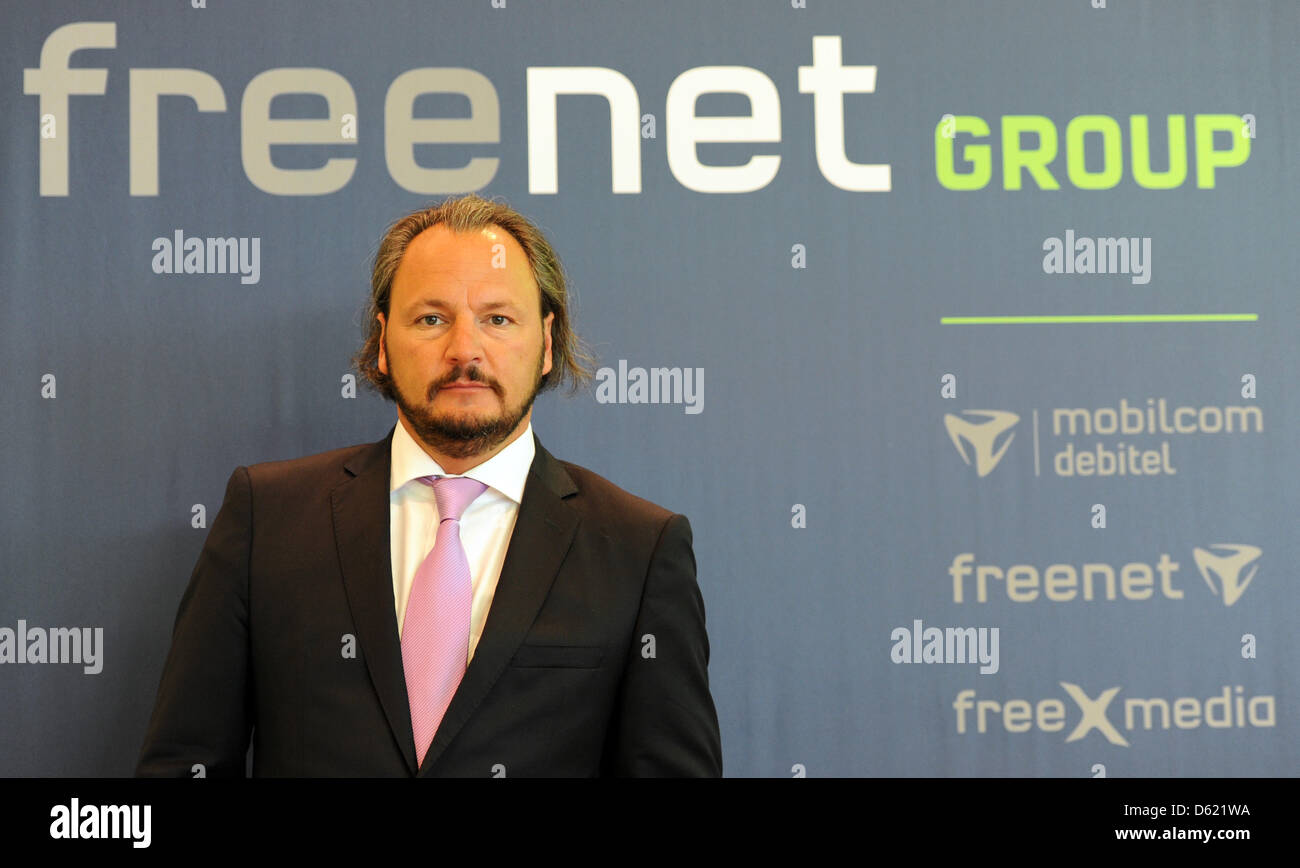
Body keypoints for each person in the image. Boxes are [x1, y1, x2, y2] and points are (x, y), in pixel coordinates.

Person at [135, 195, 722, 777]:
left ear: (546, 342)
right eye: (431, 319)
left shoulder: (639, 548)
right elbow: (186, 762)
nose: (464, 350)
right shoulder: (268, 518)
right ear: (384, 341)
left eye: (497, 318)